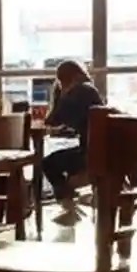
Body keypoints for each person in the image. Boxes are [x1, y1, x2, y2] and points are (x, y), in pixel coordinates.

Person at [43, 60, 104, 225]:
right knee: (63, 160)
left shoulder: (78, 92)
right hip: (101, 151)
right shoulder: (90, 91)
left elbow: (53, 120)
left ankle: (68, 206)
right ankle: (71, 200)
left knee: (48, 163)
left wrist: (59, 95)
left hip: (89, 155)